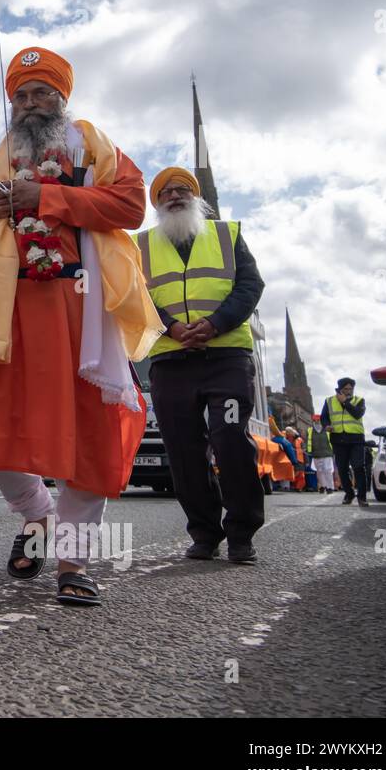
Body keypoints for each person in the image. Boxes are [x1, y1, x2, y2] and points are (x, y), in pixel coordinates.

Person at [0, 46, 163, 606]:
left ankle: (73, 562)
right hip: (1, 314)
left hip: (80, 308)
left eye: (40, 93)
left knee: (88, 434)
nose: (28, 103)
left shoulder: (95, 149)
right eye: (20, 95)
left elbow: (129, 207)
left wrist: (49, 196)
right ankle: (37, 516)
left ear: (61, 100)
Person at [136, 166, 266, 560]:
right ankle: (205, 534)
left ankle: (242, 533)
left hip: (226, 357)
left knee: (229, 438)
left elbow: (250, 285)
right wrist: (172, 328)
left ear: (196, 198)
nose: (174, 196)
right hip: (171, 361)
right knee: (183, 449)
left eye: (182, 190)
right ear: (156, 203)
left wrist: (216, 324)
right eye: (165, 192)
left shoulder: (228, 235)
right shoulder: (138, 246)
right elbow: (133, 296)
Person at [322, 378, 368, 506]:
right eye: (346, 389)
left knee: (359, 467)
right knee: (342, 469)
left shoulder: (359, 400)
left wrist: (345, 402)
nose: (349, 392)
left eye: (351, 389)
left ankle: (362, 497)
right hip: (338, 439)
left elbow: (358, 414)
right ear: (339, 389)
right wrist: (326, 426)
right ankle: (349, 493)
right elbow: (324, 417)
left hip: (356, 439)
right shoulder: (329, 401)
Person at [306, 414, 335, 493]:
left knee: (327, 470)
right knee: (319, 471)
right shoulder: (310, 430)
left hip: (327, 453)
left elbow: (332, 440)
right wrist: (308, 451)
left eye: (318, 420)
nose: (316, 422)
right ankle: (323, 486)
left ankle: (330, 487)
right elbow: (308, 441)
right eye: (315, 420)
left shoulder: (326, 429)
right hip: (316, 454)